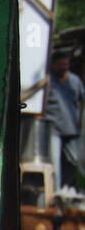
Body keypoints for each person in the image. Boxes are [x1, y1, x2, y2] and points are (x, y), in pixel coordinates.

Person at [45, 49, 85, 194]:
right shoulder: (47, 81)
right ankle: (55, 191)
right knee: (55, 161)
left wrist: (80, 119)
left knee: (73, 161)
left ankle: (71, 187)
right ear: (53, 65)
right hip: (53, 127)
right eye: (60, 65)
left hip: (72, 127)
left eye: (65, 64)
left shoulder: (75, 80)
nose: (63, 67)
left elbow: (82, 100)